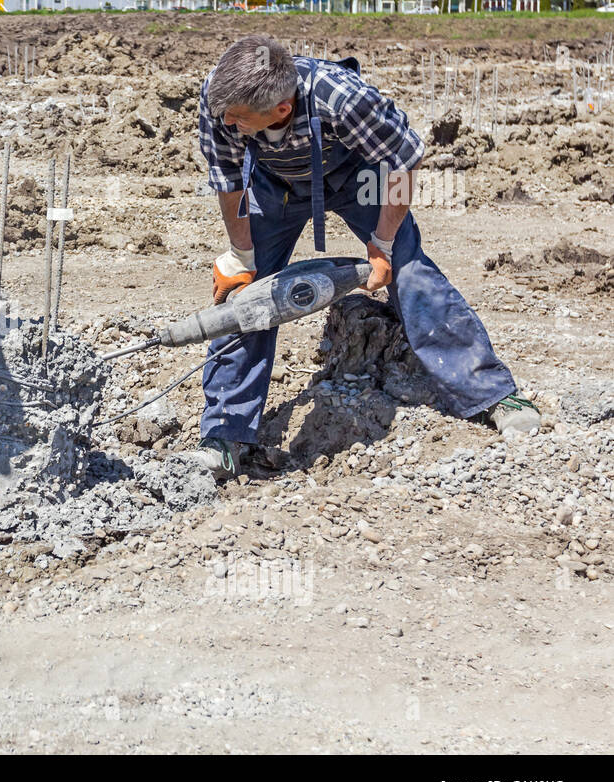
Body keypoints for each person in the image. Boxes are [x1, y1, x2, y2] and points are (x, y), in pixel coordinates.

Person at [187, 34, 539, 479]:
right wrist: (241, 255)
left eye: (239, 118)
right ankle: (226, 436)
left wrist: (384, 245)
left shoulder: (343, 99)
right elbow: (229, 177)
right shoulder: (222, 96)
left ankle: (491, 394)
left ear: (281, 108)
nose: (229, 122)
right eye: (226, 115)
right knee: (247, 297)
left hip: (360, 175)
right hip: (275, 184)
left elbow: (402, 159)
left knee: (409, 272)